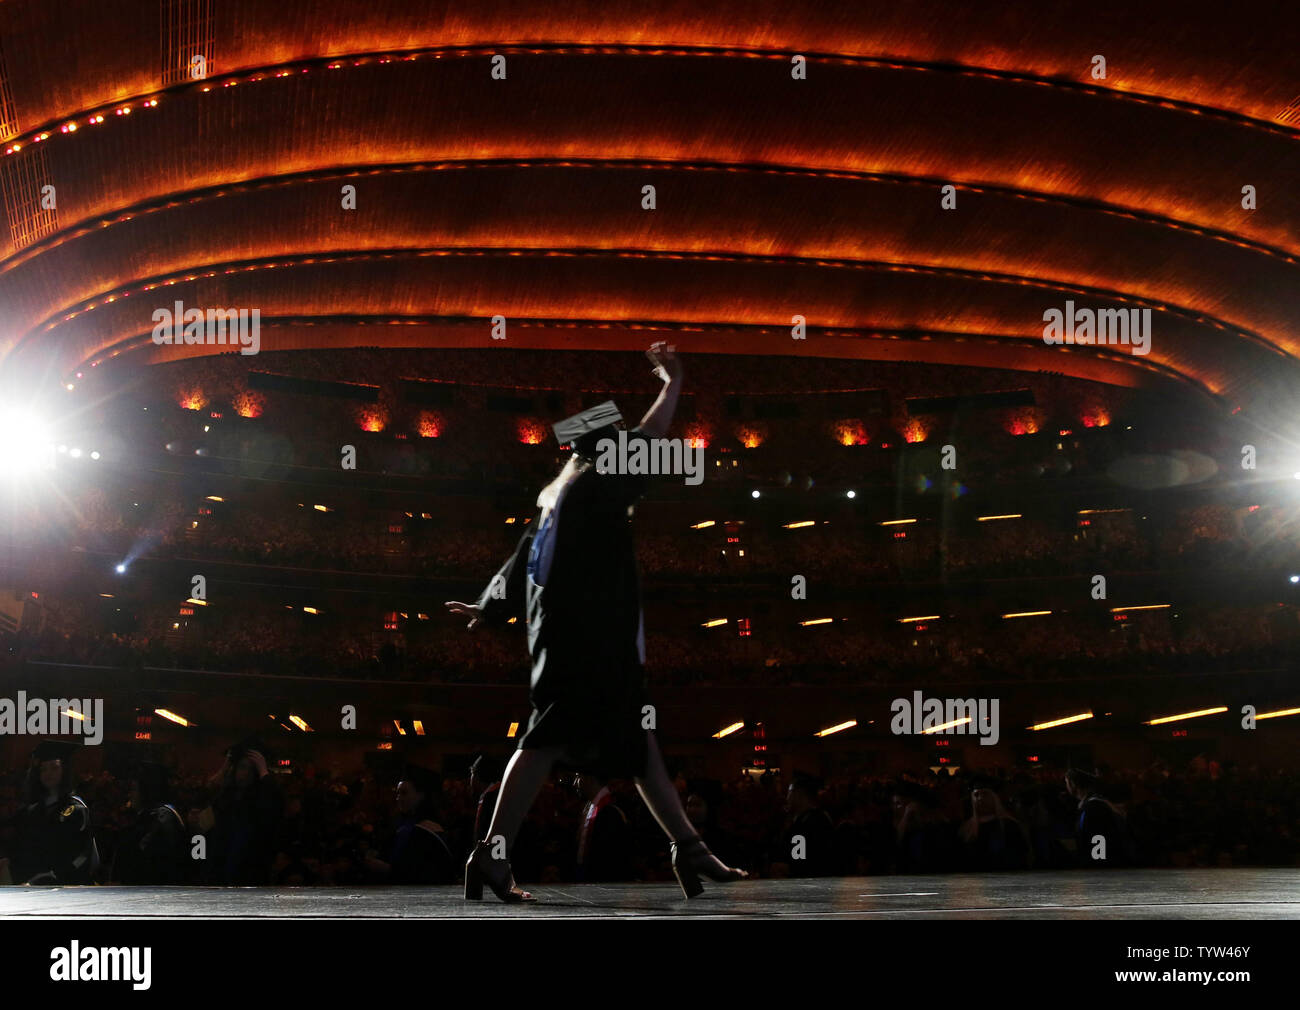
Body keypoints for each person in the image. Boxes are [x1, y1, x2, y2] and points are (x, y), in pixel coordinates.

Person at [447, 343, 747, 902]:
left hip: (561, 634)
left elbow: (520, 558)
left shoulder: (559, 494)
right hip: (592, 636)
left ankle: (688, 847)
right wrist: (673, 383)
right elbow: (651, 434)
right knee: (546, 740)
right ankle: (491, 857)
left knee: (629, 738)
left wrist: (487, 605)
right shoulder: (598, 486)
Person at [3, 740, 100, 885]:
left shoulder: (76, 810)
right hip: (32, 885)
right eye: (43, 769)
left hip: (65, 886)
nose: (48, 773)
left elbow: (82, 854)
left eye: (54, 768)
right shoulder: (32, 811)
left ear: (64, 770)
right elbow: (22, 848)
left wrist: (54, 875)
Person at [202, 738, 283, 885]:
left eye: (250, 769)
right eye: (242, 767)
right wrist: (225, 767)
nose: (245, 773)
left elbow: (273, 810)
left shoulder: (260, 798)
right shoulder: (227, 796)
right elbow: (206, 795)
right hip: (222, 862)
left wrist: (264, 772)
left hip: (248, 867)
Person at [367, 764, 456, 884]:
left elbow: (426, 874)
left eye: (404, 793)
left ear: (421, 795)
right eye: (397, 793)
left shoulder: (430, 829)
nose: (398, 798)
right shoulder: (401, 823)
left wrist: (388, 869)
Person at [111, 761, 190, 884]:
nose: (130, 795)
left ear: (146, 791)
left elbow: (145, 861)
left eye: (134, 789)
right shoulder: (149, 816)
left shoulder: (163, 817)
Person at [1065, 767, 1133, 867]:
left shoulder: (1093, 808)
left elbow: (1098, 839)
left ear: (1073, 784)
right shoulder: (1095, 803)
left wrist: (1097, 867)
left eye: (1066, 782)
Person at [574, 772, 633, 882]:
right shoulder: (592, 806)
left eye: (578, 776)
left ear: (590, 778)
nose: (575, 783)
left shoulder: (611, 810)